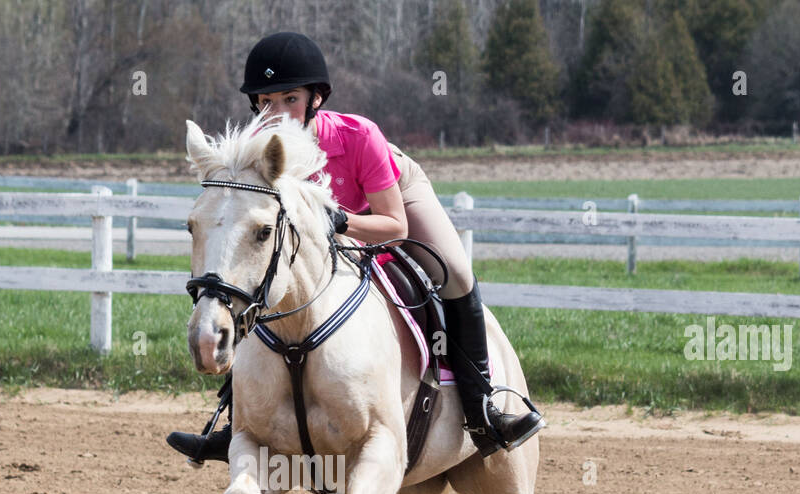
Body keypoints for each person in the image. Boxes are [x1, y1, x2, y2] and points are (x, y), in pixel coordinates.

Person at [168, 30, 544, 464]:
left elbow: (393, 224)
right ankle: (235, 422)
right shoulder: (259, 156)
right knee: (259, 291)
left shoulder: (357, 136)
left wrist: (342, 222)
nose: (278, 114)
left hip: (389, 198)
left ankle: (483, 407)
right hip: (329, 239)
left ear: (315, 99)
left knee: (453, 273)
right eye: (267, 102)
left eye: (290, 99)